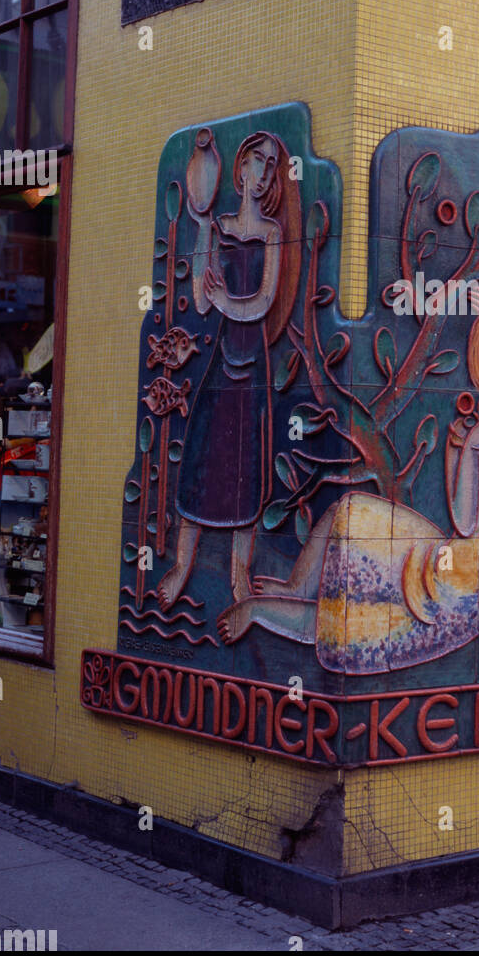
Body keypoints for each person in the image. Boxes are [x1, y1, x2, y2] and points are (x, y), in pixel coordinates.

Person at [217, 301, 479, 670]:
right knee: (345, 514)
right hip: (448, 558)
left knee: (354, 621)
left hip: (467, 589)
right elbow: (463, 522)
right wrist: (473, 447)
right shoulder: (463, 434)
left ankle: (258, 610)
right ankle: (295, 589)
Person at [157, 132, 298, 610]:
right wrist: (199, 225)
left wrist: (224, 302)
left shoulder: (274, 233)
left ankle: (240, 574)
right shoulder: (217, 228)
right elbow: (199, 299)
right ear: (238, 169)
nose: (263, 172)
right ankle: (181, 567)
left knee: (247, 462)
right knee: (200, 457)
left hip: (252, 360)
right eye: (256, 161)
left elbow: (261, 302)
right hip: (220, 362)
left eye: (271, 164)